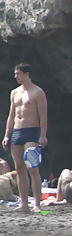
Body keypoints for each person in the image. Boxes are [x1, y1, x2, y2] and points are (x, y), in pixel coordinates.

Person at [3, 63, 48, 213]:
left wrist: (43, 135)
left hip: (31, 131)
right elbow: (11, 116)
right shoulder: (14, 93)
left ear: (27, 74)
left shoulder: (37, 92)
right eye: (15, 73)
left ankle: (37, 204)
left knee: (32, 168)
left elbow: (43, 115)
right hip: (17, 132)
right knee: (20, 169)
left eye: (18, 73)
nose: (15, 76)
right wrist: (6, 135)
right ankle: (24, 204)